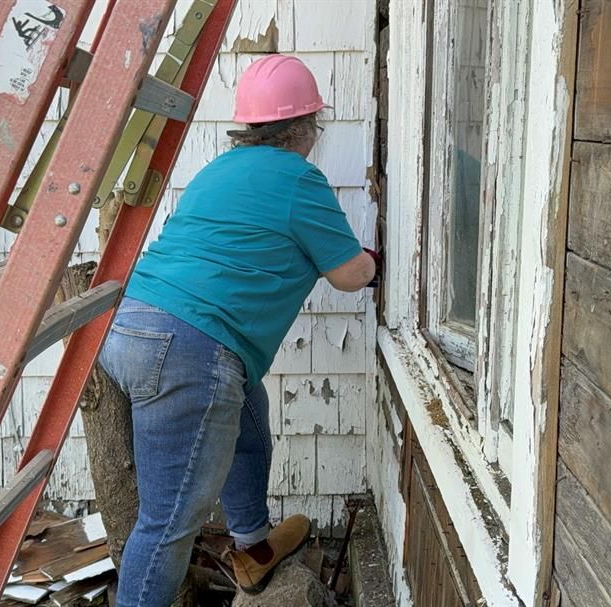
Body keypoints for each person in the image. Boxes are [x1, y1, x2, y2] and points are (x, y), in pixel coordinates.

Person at [98, 54, 380, 606]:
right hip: (188, 348)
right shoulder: (299, 177)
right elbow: (350, 276)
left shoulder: (216, 170)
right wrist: (371, 261)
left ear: (249, 127)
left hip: (132, 324)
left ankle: (252, 546)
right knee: (169, 521)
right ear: (305, 128)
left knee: (247, 413)